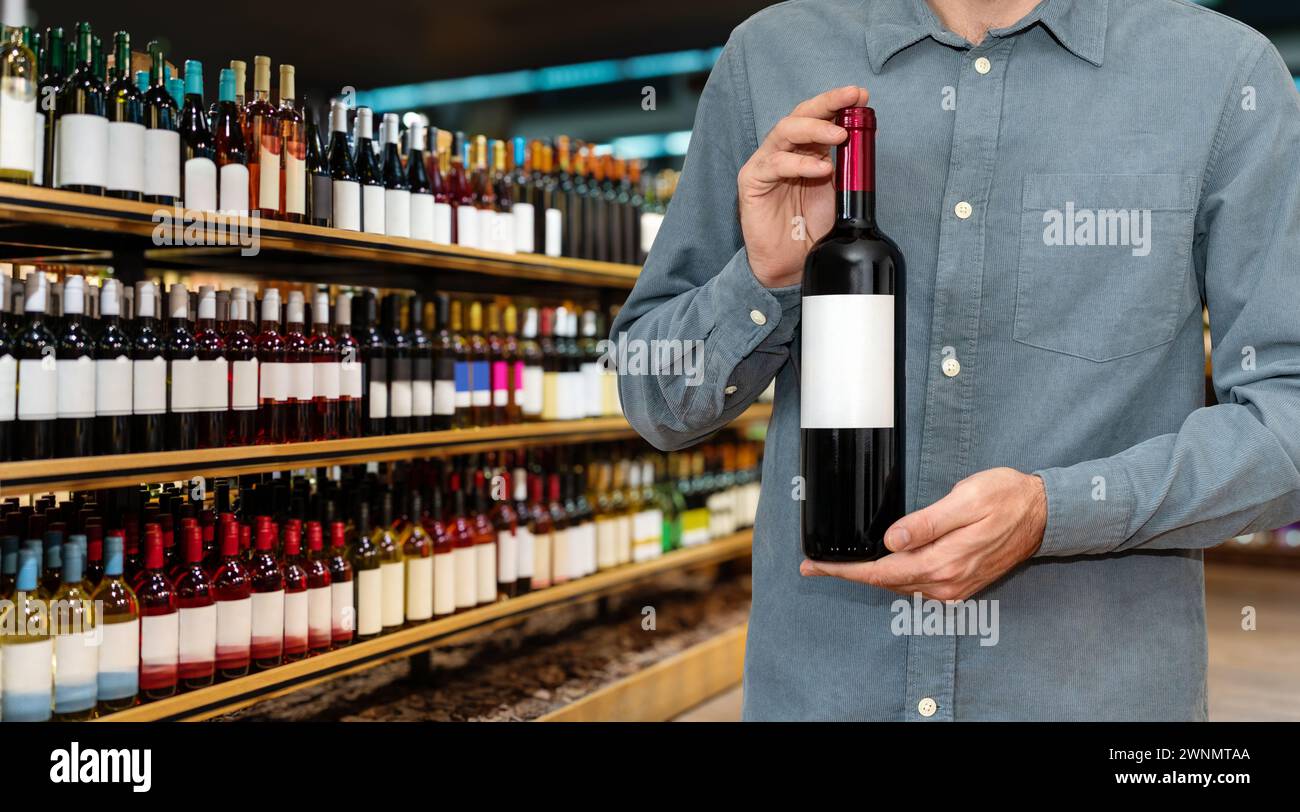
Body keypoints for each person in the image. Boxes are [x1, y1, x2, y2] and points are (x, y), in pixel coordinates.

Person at [611, 0, 1300, 720]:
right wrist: (766, 278)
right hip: (824, 696)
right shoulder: (768, 57)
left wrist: (1054, 512)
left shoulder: (1220, 75)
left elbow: (1289, 418)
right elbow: (655, 401)